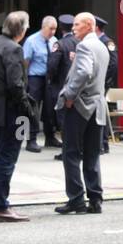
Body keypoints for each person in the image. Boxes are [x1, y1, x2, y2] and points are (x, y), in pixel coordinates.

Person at [0, 10, 33, 222]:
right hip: (10, 112)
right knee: (7, 157)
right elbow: (15, 84)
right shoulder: (14, 48)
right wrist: (27, 108)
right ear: (21, 30)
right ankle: (0, 205)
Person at [54, 12, 109, 215]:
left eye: (77, 24)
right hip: (97, 106)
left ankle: (76, 199)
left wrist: (69, 94)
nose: (73, 28)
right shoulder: (102, 46)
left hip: (80, 106)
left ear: (88, 25)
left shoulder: (85, 46)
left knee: (71, 153)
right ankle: (95, 199)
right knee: (92, 154)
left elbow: (84, 72)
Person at [21, 15, 57, 153]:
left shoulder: (54, 41)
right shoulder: (32, 41)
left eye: (55, 29)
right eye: (50, 28)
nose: (53, 32)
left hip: (49, 78)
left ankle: (50, 136)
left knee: (50, 108)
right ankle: (31, 139)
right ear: (43, 27)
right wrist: (24, 81)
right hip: (35, 78)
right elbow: (25, 62)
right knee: (33, 109)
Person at [46, 13, 76, 160]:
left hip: (62, 87)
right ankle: (77, 149)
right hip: (78, 87)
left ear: (61, 28)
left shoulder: (60, 44)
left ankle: (67, 151)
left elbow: (52, 66)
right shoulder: (80, 42)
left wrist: (50, 80)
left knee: (63, 120)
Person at [96, 16, 120, 149]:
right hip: (100, 82)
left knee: (101, 113)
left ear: (96, 28)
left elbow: (113, 63)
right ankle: (103, 143)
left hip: (104, 83)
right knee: (101, 112)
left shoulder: (106, 42)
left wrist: (105, 79)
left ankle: (102, 143)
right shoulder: (99, 41)